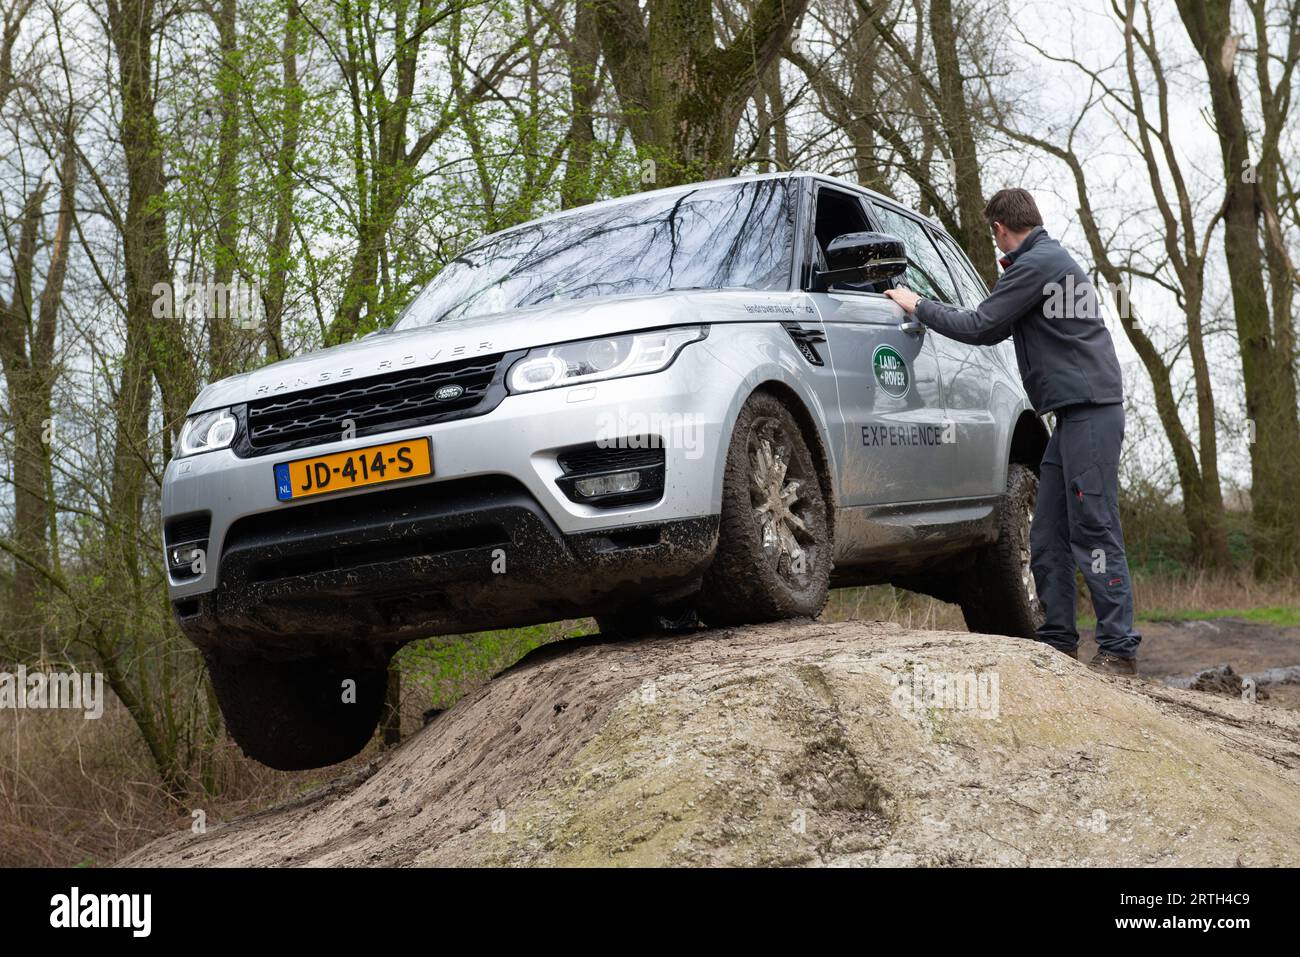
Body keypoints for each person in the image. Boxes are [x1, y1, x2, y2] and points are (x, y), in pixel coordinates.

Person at [884, 188, 1141, 675]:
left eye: (993, 232)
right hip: (1073, 416)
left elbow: (982, 324)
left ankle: (1120, 648)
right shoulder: (1046, 260)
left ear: (1000, 229)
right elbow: (997, 324)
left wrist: (917, 304)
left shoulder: (1037, 263)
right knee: (1045, 533)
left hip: (1091, 411)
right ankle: (1059, 640)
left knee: (1095, 527)